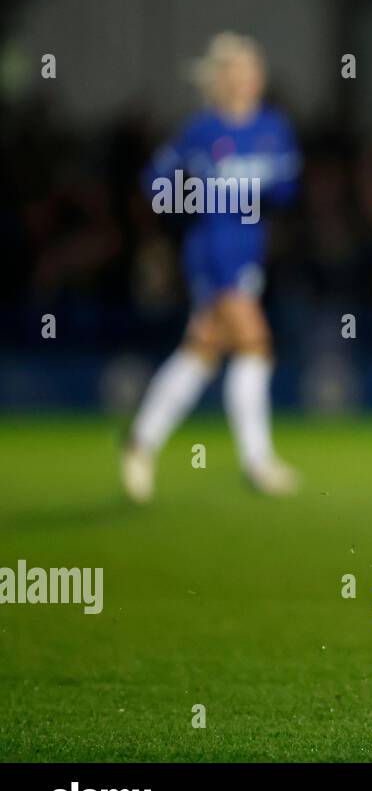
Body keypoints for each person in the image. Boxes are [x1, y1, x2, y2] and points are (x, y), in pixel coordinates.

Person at [122, 32, 301, 502]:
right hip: (213, 252)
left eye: (251, 69)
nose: (246, 79)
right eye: (236, 70)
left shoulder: (273, 128)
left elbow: (285, 191)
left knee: (200, 354)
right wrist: (187, 210)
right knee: (255, 344)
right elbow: (155, 182)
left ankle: (140, 441)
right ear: (220, 78)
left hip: (250, 251)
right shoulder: (201, 131)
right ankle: (257, 461)